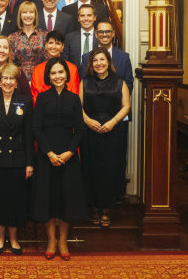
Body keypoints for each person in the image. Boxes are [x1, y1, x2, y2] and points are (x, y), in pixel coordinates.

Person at [32, 57, 87, 261]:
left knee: (66, 199)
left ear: (67, 75)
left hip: (68, 156)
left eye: (61, 72)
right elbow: (36, 128)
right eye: (53, 73)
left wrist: (69, 152)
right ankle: (51, 240)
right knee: (48, 198)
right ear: (49, 76)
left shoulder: (74, 99)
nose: (57, 76)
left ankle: (63, 240)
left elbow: (80, 130)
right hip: (46, 156)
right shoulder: (42, 99)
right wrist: (49, 153)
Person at [0, 63, 34, 256]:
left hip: (18, 159)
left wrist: (29, 163)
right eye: (5, 78)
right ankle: (0, 238)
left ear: (17, 82)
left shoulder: (25, 102)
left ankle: (13, 239)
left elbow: (29, 135)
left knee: (15, 201)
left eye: (12, 78)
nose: (8, 82)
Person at [80, 47, 130, 229]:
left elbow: (126, 106)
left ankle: (106, 210)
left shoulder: (120, 82)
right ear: (91, 64)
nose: (99, 63)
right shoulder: (84, 82)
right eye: (95, 61)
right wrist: (88, 121)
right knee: (91, 169)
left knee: (109, 170)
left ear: (109, 62)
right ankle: (93, 208)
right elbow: (79, 106)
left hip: (112, 132)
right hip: (89, 132)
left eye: (102, 60)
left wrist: (112, 122)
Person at [30, 30, 80, 104]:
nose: (54, 47)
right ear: (46, 45)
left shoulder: (72, 68)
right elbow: (35, 97)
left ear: (63, 47)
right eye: (51, 43)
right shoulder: (38, 70)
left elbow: (74, 94)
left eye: (57, 43)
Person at [8, 1, 47, 81]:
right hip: (19, 79)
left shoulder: (44, 35)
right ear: (20, 16)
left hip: (41, 79)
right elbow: (10, 62)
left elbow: (47, 60)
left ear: (35, 15)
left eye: (31, 12)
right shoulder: (12, 37)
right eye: (24, 12)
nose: (28, 15)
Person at [64, 4, 100, 75]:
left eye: (89, 15)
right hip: (75, 77)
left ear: (95, 17)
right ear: (78, 18)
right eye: (82, 16)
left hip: (97, 77)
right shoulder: (69, 38)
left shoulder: (100, 37)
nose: (86, 18)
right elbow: (65, 61)